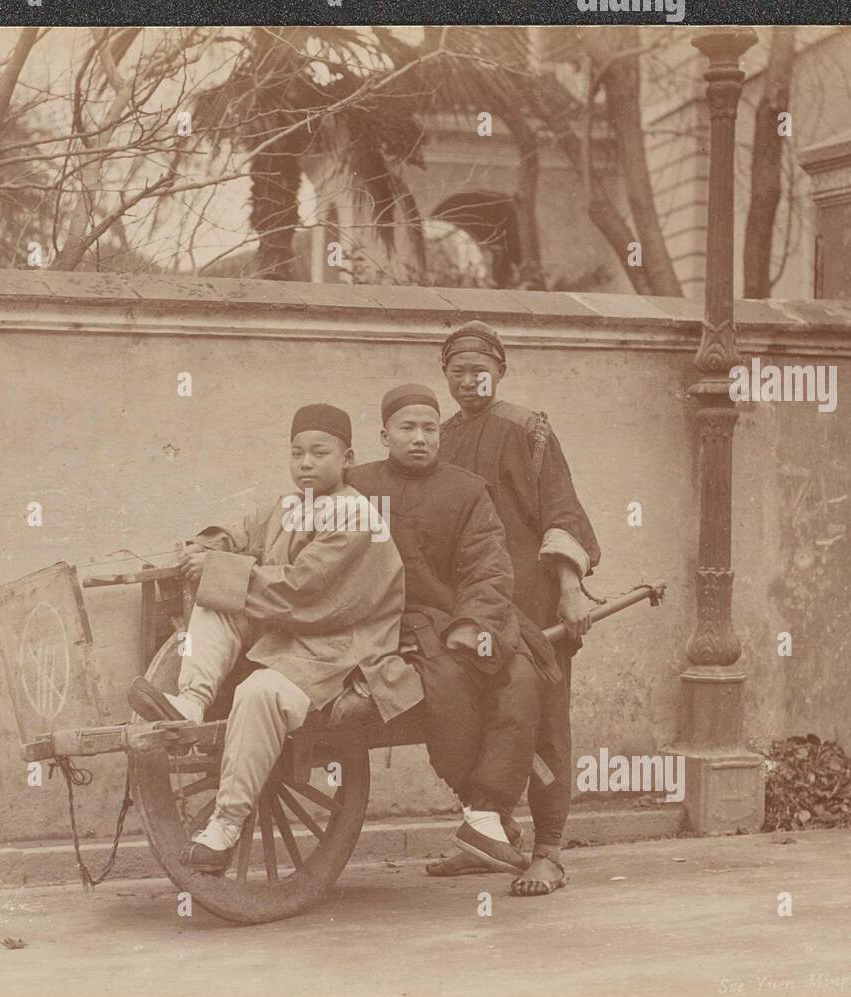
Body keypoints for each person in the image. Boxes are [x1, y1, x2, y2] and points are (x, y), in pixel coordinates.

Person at [126, 403, 422, 873]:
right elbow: (238, 534)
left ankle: (225, 825)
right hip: (295, 633)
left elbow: (308, 588)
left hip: (342, 650)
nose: (305, 463)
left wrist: (219, 570)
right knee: (215, 595)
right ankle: (191, 701)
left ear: (347, 458)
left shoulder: (356, 516)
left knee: (258, 692)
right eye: (297, 453)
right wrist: (208, 548)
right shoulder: (288, 507)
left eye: (319, 453)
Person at [346, 384, 558, 875]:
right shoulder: (355, 485)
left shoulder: (467, 490)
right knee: (447, 681)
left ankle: (486, 812)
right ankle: (481, 811)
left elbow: (489, 567)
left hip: (468, 615)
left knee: (520, 676)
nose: (418, 438)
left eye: (427, 429)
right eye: (406, 428)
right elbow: (293, 519)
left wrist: (474, 625)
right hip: (397, 620)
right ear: (384, 434)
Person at [435, 320, 602, 896]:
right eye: (458, 372)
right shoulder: (441, 437)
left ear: (500, 372)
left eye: (480, 370)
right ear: (446, 378)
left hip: (532, 600)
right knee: (472, 716)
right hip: (471, 602)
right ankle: (492, 834)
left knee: (544, 722)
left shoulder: (527, 430)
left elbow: (562, 512)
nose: (470, 381)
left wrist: (571, 589)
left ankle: (549, 852)